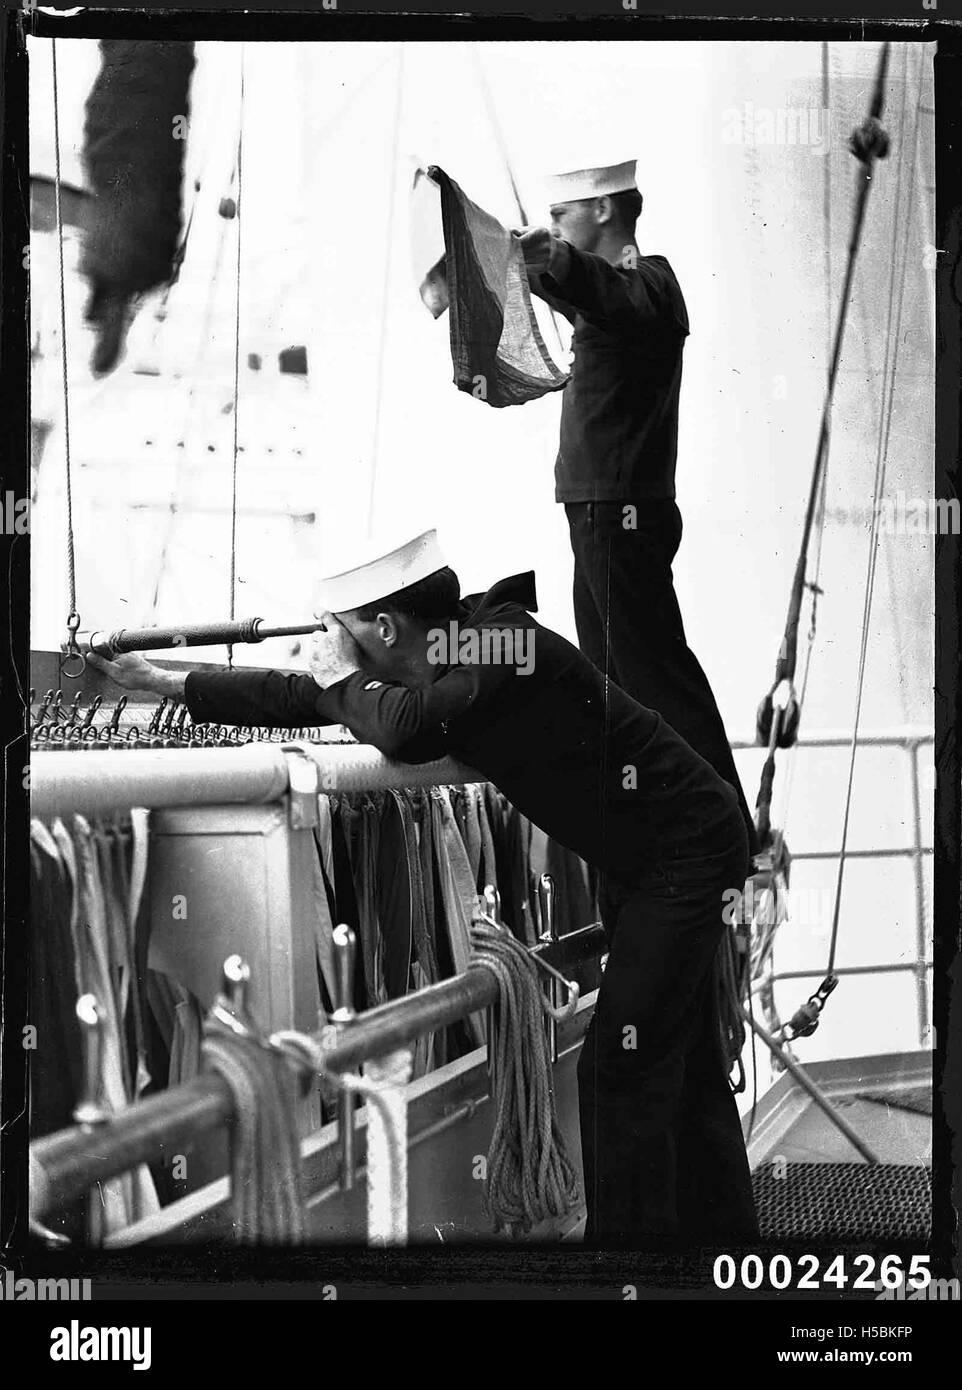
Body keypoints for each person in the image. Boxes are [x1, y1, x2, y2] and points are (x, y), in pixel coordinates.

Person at [89, 528, 758, 1246]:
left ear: (383, 628)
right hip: (645, 857)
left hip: (684, 851)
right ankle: (722, 1243)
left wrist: (342, 679)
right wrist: (165, 682)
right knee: (678, 1058)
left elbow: (404, 732)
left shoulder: (501, 638)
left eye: (338, 632)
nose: (328, 645)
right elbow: (299, 696)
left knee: (622, 1066)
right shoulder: (433, 670)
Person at [518, 159, 760, 861]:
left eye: (562, 215)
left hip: (616, 510)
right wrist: (535, 263)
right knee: (612, 679)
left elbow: (607, 292)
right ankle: (663, 832)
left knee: (651, 676)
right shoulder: (617, 294)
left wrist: (555, 259)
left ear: (602, 211)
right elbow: (586, 294)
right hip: (595, 509)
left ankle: (728, 840)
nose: (555, 223)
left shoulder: (651, 283)